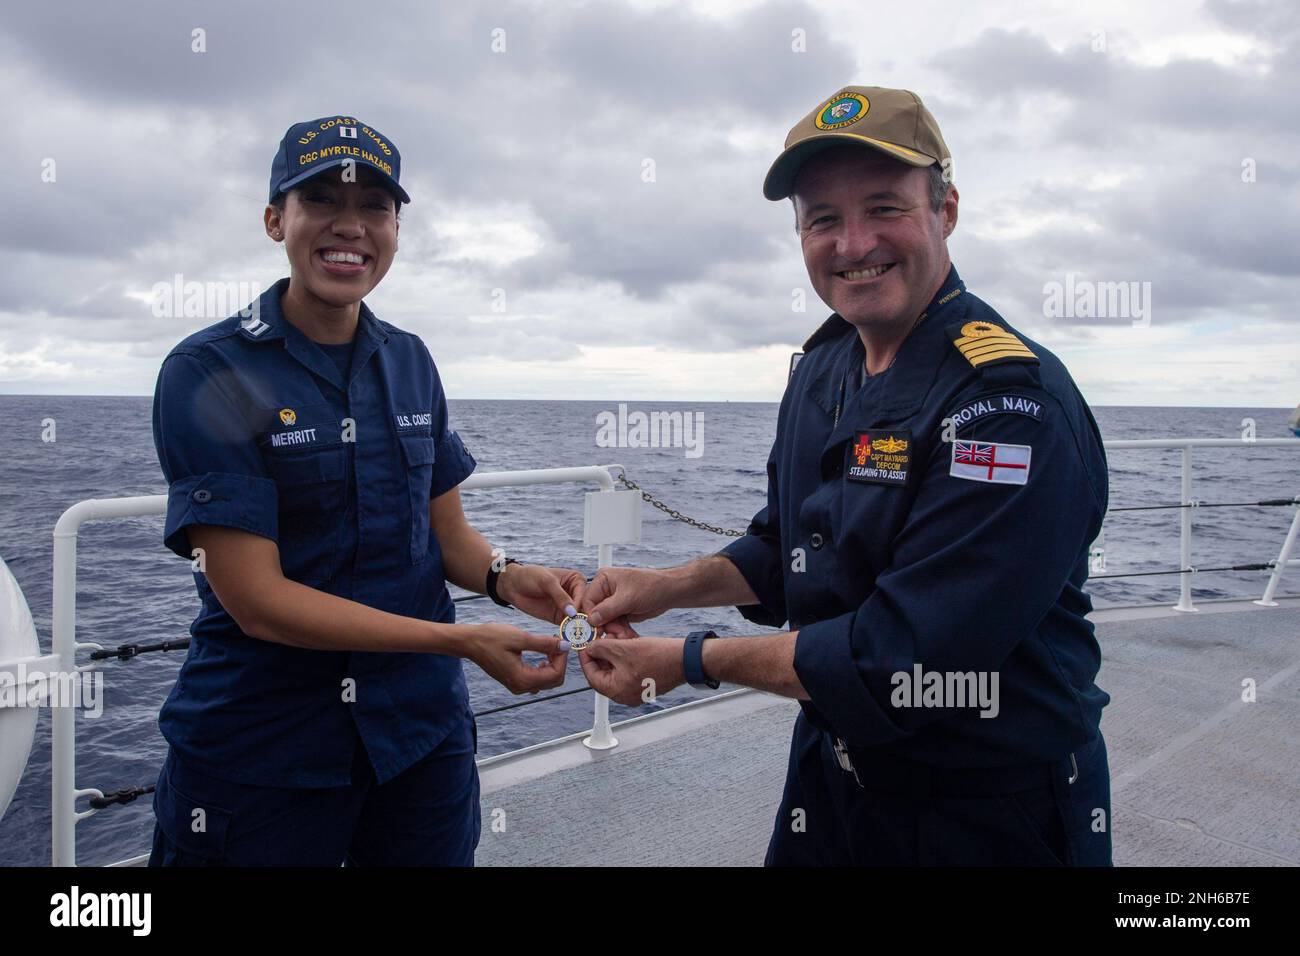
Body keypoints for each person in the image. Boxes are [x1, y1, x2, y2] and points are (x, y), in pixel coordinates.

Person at [577, 87, 1112, 866]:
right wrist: (660, 587)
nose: (853, 243)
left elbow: (901, 660)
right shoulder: (826, 367)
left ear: (947, 210)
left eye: (883, 207)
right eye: (823, 218)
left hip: (989, 809)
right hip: (832, 781)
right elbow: (788, 550)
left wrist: (687, 660)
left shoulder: (1005, 404)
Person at [149, 115, 582, 866]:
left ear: (397, 228)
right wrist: (462, 640)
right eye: (321, 200)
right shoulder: (207, 372)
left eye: (375, 207)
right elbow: (258, 603)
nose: (350, 227)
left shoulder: (411, 361)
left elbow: (449, 538)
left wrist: (511, 580)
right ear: (274, 219)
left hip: (420, 740)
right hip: (264, 753)